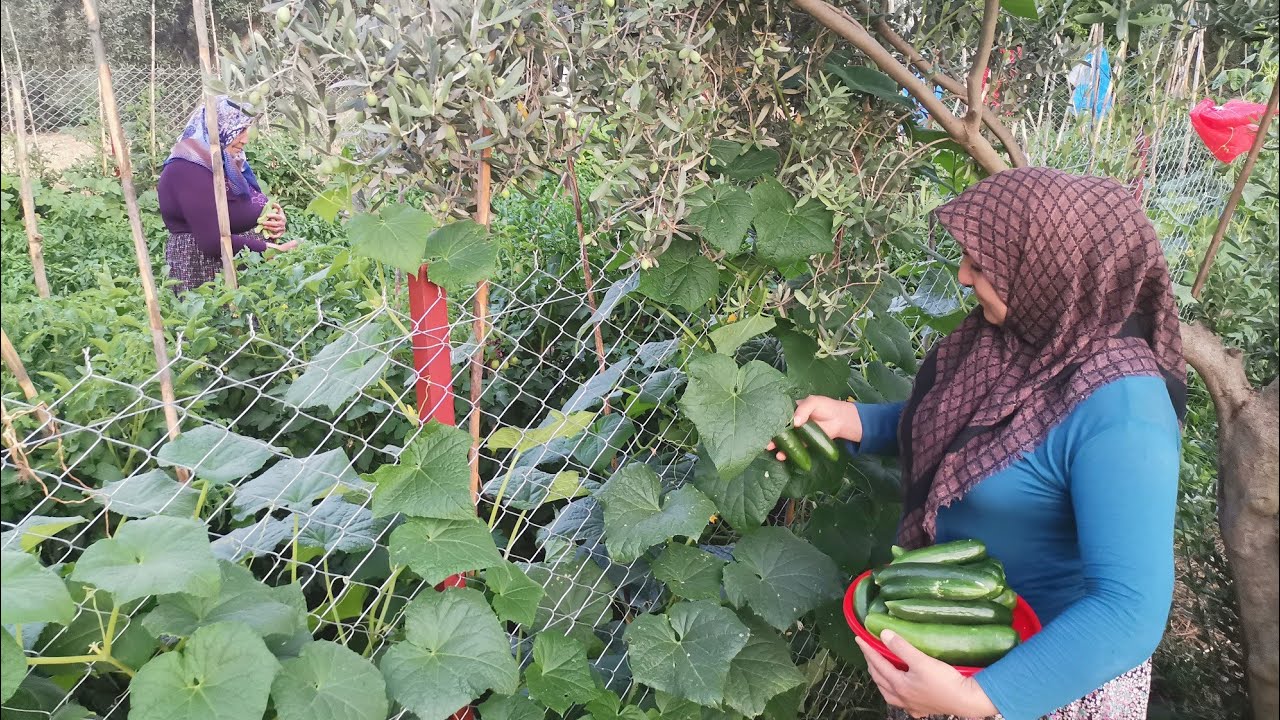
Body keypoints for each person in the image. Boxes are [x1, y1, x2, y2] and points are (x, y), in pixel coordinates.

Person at [772, 168, 1186, 720]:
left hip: (1042, 682)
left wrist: (979, 699)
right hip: (957, 641)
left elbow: (1129, 611)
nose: (965, 276)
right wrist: (860, 423)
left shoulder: (1124, 415)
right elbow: (981, 431)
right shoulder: (1030, 339)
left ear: (1050, 270)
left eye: (983, 264)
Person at [157, 97, 293, 293]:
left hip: (244, 262)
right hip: (208, 271)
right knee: (221, 319)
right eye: (240, 129)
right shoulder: (187, 169)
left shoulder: (227, 162)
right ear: (219, 125)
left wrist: (275, 220)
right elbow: (212, 242)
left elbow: (247, 202)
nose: (245, 139)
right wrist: (272, 251)